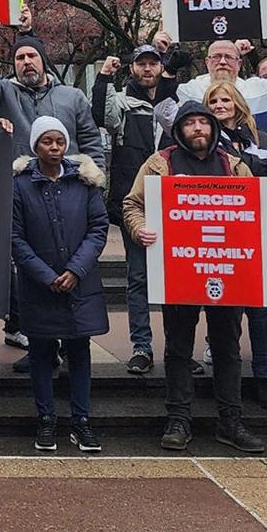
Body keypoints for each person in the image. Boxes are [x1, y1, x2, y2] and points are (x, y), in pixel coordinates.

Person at [125, 101, 267, 454]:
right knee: (178, 348)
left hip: (227, 270)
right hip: (179, 271)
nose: (198, 128)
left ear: (213, 127)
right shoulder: (159, 163)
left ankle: (231, 421)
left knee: (227, 347)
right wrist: (141, 230)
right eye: (190, 123)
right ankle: (178, 419)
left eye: (203, 122)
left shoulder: (235, 164)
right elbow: (132, 204)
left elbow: (257, 210)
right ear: (178, 129)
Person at [11, 116, 108, 453]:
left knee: (79, 351)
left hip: (79, 282)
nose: (54, 148)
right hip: (40, 283)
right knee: (40, 351)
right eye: (47, 142)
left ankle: (81, 420)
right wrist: (45, 274)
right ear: (35, 145)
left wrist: (76, 269)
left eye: (59, 141)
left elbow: (98, 227)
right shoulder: (20, 184)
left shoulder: (85, 181)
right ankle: (47, 418)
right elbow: (14, 236)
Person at [202, 81, 267, 408]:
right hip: (220, 238)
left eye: (225, 99)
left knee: (262, 313)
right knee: (225, 315)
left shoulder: (263, 141)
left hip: (260, 235)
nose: (219, 105)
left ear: (238, 102)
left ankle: (264, 378)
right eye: (213, 100)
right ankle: (228, 382)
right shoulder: (202, 143)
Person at [95, 45, 179, 375]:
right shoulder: (122, 101)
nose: (147, 69)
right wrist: (103, 78)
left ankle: (177, 347)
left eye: (153, 64)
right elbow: (101, 116)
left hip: (175, 207)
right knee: (138, 279)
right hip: (136, 206)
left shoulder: (176, 102)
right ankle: (141, 345)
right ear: (132, 68)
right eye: (141, 64)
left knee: (176, 282)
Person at [0, 14, 106, 168]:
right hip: (19, 184)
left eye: (32, 56)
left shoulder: (73, 97)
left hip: (67, 183)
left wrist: (95, 181)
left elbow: (91, 142)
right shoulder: (2, 92)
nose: (26, 61)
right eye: (20, 58)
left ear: (43, 61)